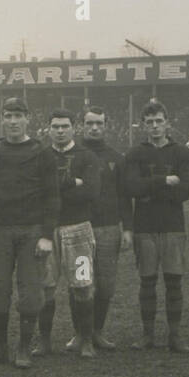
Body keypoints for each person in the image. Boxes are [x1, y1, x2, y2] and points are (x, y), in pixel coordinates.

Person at [0, 97, 60, 369]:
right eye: (8, 115)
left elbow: (53, 197)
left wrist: (46, 235)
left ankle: (23, 348)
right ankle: (1, 348)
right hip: (1, 229)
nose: (13, 121)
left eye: (18, 115)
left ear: (28, 118)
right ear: (2, 119)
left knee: (31, 292)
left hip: (32, 230)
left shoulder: (42, 152)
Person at [123, 99, 189, 353]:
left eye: (159, 121)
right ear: (143, 125)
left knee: (174, 281)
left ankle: (175, 335)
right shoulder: (135, 153)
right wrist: (164, 180)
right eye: (150, 122)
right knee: (147, 282)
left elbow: (187, 189)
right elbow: (131, 187)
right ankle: (148, 334)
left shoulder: (181, 153)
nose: (154, 126)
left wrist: (150, 190)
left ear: (167, 123)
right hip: (145, 226)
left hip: (173, 225)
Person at [34, 109, 101, 359]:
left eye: (65, 126)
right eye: (55, 126)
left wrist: (55, 192)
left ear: (74, 128)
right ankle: (44, 341)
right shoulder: (41, 156)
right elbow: (38, 192)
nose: (60, 131)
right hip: (47, 230)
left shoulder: (87, 156)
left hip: (79, 230)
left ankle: (85, 340)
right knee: (46, 285)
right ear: (48, 129)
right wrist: (73, 183)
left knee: (83, 286)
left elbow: (92, 192)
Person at [81, 106, 132, 350]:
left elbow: (124, 196)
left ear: (106, 125)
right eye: (90, 123)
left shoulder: (116, 158)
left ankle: (97, 331)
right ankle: (80, 334)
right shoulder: (75, 155)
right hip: (78, 228)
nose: (94, 128)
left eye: (99, 123)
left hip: (109, 229)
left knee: (105, 284)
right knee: (80, 282)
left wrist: (128, 228)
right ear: (82, 125)